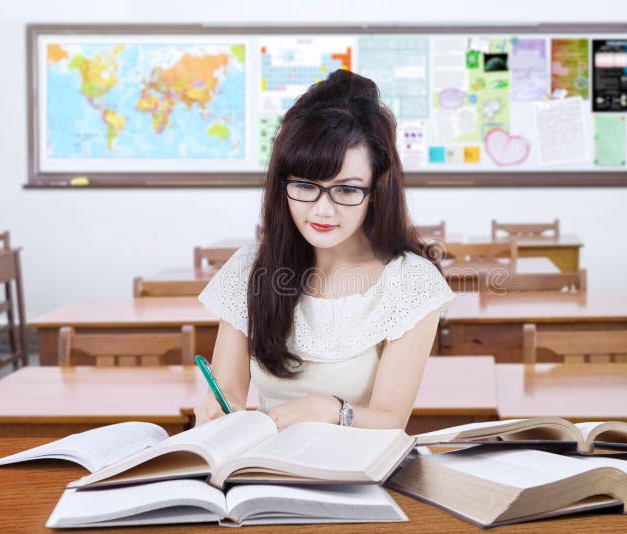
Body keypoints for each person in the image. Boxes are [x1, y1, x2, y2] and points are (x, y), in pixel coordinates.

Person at [195, 69, 455, 431]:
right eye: (304, 186)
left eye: (346, 190)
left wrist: (334, 410)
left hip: (357, 477)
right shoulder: (249, 270)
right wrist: (214, 413)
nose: (322, 210)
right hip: (263, 472)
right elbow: (228, 396)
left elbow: (392, 420)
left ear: (376, 189)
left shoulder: (412, 282)